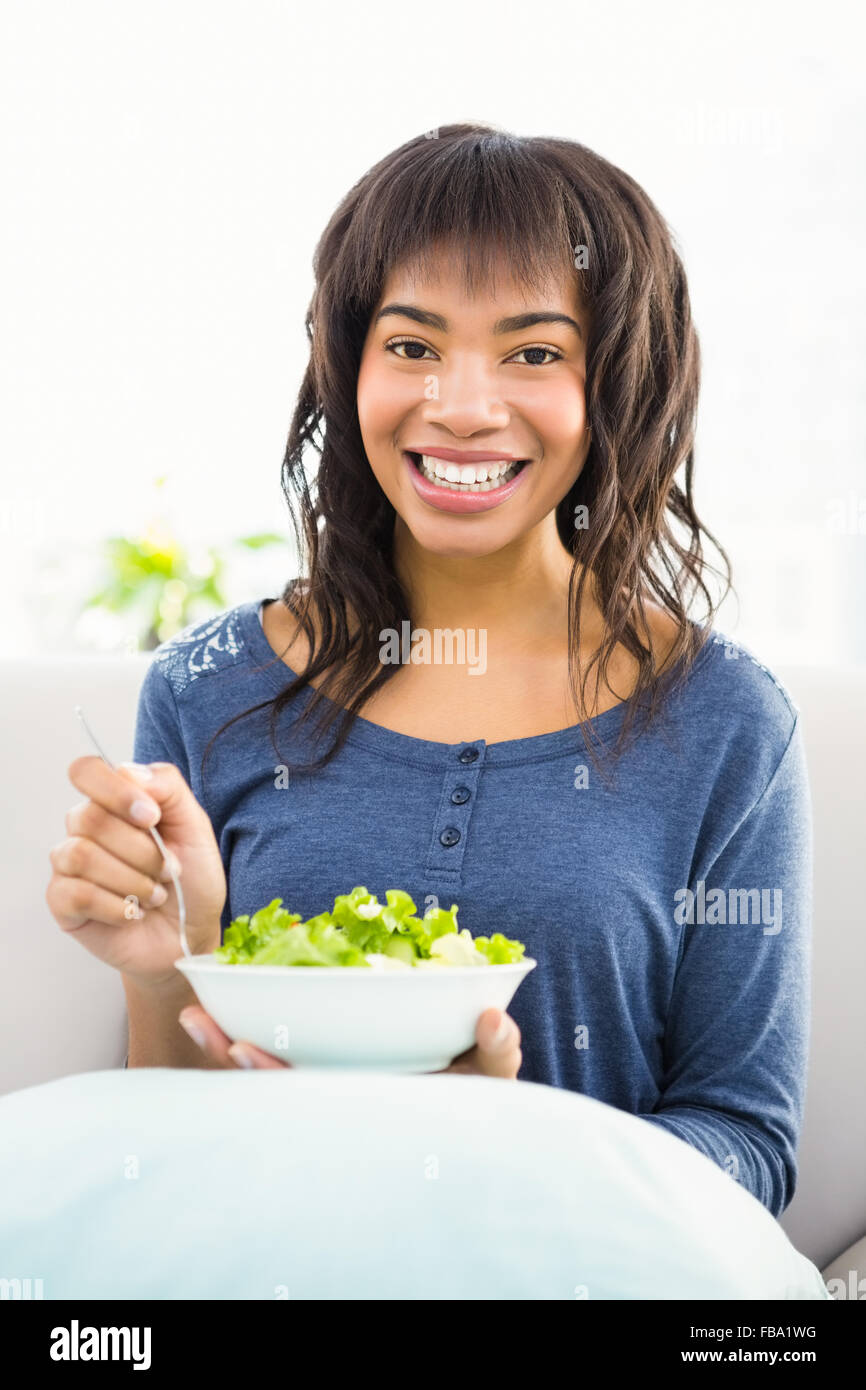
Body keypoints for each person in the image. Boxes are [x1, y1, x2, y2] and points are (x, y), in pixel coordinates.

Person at [46, 124, 811, 1218]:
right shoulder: (207, 688)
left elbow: (745, 1143)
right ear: (348, 365)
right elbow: (171, 1155)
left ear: (616, 383)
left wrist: (509, 1152)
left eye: (533, 352)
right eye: (410, 345)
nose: (459, 404)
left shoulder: (725, 721)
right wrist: (167, 969)